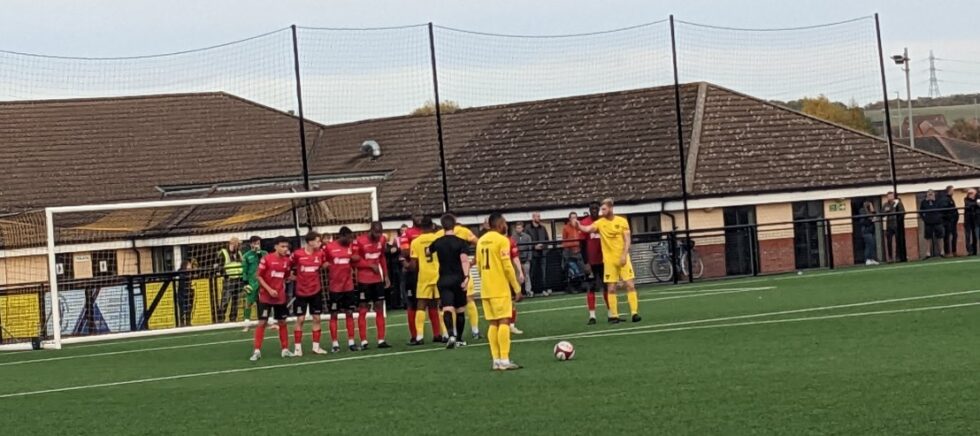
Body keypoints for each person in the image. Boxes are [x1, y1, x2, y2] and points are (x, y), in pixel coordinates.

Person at [573, 198, 641, 323]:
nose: (601, 211)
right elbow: (588, 229)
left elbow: (627, 240)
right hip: (609, 261)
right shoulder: (600, 223)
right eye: (601, 209)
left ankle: (634, 313)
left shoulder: (622, 221)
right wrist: (579, 225)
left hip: (623, 258)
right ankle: (614, 315)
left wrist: (624, 255)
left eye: (604, 209)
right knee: (611, 288)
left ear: (610, 208)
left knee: (630, 285)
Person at [477, 213, 523, 371]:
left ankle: (496, 360)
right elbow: (507, 266)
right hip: (499, 288)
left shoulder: (481, 240)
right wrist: (516, 287)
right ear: (499, 224)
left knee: (493, 323)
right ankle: (504, 359)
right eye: (504, 222)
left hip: (486, 289)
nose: (506, 225)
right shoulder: (502, 240)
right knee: (504, 321)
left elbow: (479, 266)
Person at [435, 214, 482, 340]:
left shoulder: (438, 235)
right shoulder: (464, 231)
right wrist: (475, 260)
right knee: (468, 301)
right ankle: (475, 330)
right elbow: (480, 244)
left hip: (444, 274)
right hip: (462, 273)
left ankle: (448, 334)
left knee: (445, 305)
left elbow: (429, 251)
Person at [429, 214, 472, 349]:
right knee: (460, 310)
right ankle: (459, 339)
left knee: (447, 308)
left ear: (442, 226)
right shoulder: (461, 242)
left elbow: (428, 251)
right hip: (458, 278)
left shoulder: (438, 242)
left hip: (444, 278)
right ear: (455, 224)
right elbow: (464, 260)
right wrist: (466, 277)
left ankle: (450, 335)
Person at [249, 236, 293, 361]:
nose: (285, 249)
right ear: (275, 247)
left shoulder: (287, 261)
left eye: (286, 246)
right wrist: (269, 290)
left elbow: (286, 276)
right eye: (282, 246)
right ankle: (257, 351)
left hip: (280, 297)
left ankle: (285, 349)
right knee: (262, 322)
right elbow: (258, 276)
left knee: (282, 322)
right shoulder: (266, 259)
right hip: (265, 296)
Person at [353, 221, 392, 349]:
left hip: (377, 280)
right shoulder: (360, 241)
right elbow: (354, 261)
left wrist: (385, 276)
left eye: (380, 232)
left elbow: (382, 258)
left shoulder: (382, 240)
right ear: (371, 230)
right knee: (363, 309)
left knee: (379, 307)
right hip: (364, 280)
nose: (378, 235)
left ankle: (381, 339)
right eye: (376, 232)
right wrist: (369, 265)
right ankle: (364, 341)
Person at [290, 231, 328, 356]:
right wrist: (291, 276)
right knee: (300, 319)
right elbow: (288, 265)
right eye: (317, 241)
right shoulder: (297, 254)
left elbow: (323, 265)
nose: (319, 243)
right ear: (310, 242)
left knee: (317, 318)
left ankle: (316, 347)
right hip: (301, 291)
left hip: (316, 290)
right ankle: (297, 349)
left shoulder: (321, 253)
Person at [323, 227, 360, 352]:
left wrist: (355, 259)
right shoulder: (329, 247)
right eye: (349, 238)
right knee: (334, 315)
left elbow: (355, 260)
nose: (350, 240)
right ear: (342, 236)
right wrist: (325, 265)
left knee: (349, 313)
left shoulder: (351, 247)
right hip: (335, 287)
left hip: (348, 286)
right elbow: (323, 262)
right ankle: (335, 344)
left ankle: (351, 342)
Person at [409, 217, 444, 344]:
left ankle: (419, 336)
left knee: (421, 305)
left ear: (421, 228)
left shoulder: (415, 242)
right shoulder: (438, 239)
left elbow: (413, 265)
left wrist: (406, 265)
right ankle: (443, 334)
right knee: (439, 305)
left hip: (424, 276)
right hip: (438, 274)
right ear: (432, 226)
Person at [580, 202, 612, 324]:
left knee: (607, 287)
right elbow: (582, 245)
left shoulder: (604, 221)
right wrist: (586, 262)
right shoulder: (585, 223)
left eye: (596, 208)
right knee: (591, 287)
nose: (594, 210)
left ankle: (611, 314)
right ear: (589, 210)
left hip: (604, 260)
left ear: (598, 209)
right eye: (592, 208)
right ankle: (592, 316)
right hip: (591, 261)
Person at [399, 215, 426, 345]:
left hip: (426, 271)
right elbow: (404, 252)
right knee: (412, 303)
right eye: (417, 216)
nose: (419, 218)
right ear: (412, 219)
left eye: (421, 215)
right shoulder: (407, 233)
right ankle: (414, 335)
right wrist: (419, 250)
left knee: (433, 303)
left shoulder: (426, 231)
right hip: (412, 272)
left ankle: (438, 334)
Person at [241, 236, 266, 332]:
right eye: (255, 243)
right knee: (249, 302)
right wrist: (245, 283)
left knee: (265, 302)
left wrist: (258, 253)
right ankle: (246, 324)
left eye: (258, 243)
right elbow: (244, 270)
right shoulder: (246, 256)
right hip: (252, 282)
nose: (257, 245)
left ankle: (267, 321)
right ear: (251, 244)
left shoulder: (264, 253)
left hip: (263, 282)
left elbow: (265, 264)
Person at [217, 237, 244, 323]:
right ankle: (221, 319)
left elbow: (242, 264)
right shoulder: (224, 252)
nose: (239, 246)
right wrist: (225, 275)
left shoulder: (239, 253)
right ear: (233, 244)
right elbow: (219, 266)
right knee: (225, 300)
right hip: (229, 279)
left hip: (238, 279)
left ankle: (233, 318)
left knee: (236, 300)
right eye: (238, 244)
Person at [561, 212, 586, 293]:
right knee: (572, 271)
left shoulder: (580, 226)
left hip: (579, 251)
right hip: (570, 252)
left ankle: (581, 287)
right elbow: (564, 241)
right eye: (572, 218)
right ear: (569, 219)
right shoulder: (565, 228)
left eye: (575, 217)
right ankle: (571, 288)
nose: (574, 219)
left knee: (581, 270)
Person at [527, 212, 550, 297]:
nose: (539, 218)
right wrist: (534, 247)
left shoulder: (543, 228)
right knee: (532, 272)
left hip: (542, 253)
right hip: (533, 254)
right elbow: (526, 241)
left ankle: (544, 289)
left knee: (543, 272)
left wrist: (543, 247)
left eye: (539, 216)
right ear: (533, 218)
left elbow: (547, 239)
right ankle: (532, 290)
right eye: (537, 216)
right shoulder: (527, 228)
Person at [920, 190, 945, 258]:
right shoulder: (924, 202)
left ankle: (942, 252)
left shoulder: (938, 201)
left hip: (938, 222)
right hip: (928, 223)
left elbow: (942, 210)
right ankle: (928, 253)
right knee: (928, 238)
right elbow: (921, 212)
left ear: (934, 195)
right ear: (927, 195)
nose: (930, 196)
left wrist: (940, 217)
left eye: (931, 194)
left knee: (940, 237)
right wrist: (925, 219)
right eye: (929, 194)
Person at [880, 193, 905, 263]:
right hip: (889, 225)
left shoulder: (898, 203)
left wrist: (899, 221)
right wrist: (885, 211)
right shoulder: (885, 205)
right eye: (889, 196)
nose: (890, 197)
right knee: (889, 242)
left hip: (897, 225)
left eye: (891, 196)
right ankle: (890, 257)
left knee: (898, 241)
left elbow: (903, 212)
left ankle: (898, 257)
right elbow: (881, 214)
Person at [859, 201, 880, 266]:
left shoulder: (871, 212)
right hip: (866, 231)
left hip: (871, 230)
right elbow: (863, 222)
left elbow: (875, 216)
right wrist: (871, 220)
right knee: (869, 245)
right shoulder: (863, 211)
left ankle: (872, 259)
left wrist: (873, 212)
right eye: (871, 206)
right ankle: (867, 259)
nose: (872, 207)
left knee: (872, 245)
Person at [941, 185, 960, 256]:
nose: (953, 191)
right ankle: (947, 252)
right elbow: (946, 210)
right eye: (952, 190)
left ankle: (954, 251)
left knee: (954, 235)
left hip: (953, 221)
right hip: (948, 221)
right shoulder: (945, 199)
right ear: (949, 190)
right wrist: (950, 217)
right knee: (947, 236)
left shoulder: (950, 198)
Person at [175, 260, 194, 327]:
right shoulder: (182, 273)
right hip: (182, 293)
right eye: (189, 266)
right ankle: (182, 323)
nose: (190, 268)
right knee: (182, 309)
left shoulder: (190, 273)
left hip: (188, 292)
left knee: (189, 308)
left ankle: (188, 322)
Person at [964, 189, 980, 256]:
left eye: (972, 193)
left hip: (975, 220)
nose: (970, 194)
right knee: (968, 236)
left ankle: (975, 251)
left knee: (975, 236)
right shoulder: (966, 199)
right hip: (968, 220)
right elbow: (969, 204)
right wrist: (976, 203)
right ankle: (969, 251)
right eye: (969, 193)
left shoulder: (977, 198)